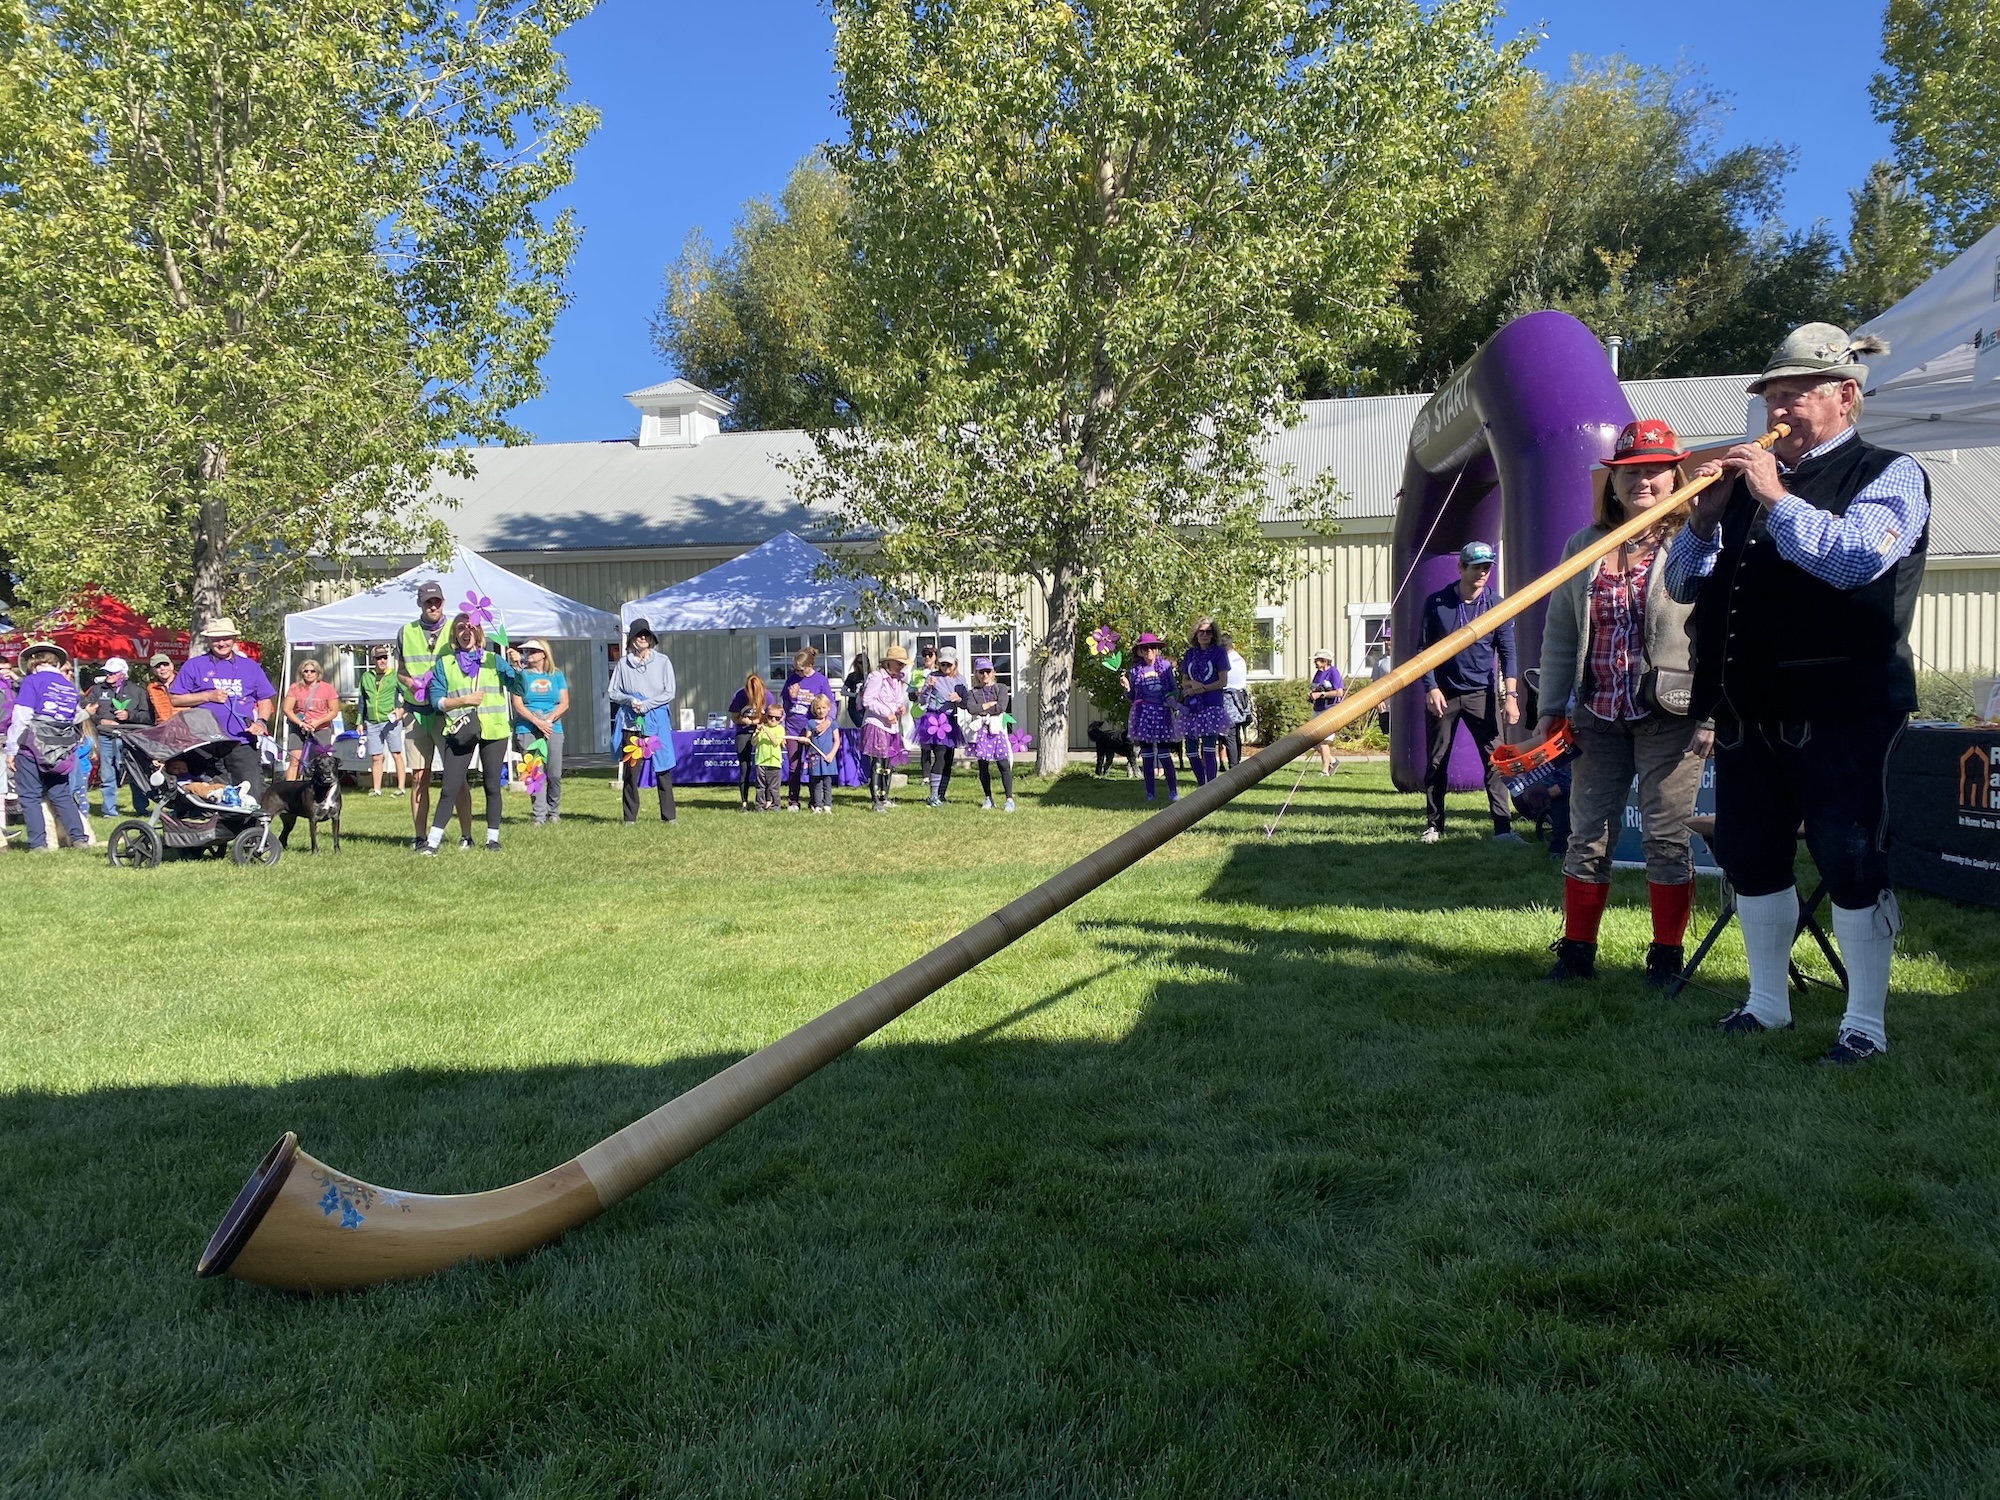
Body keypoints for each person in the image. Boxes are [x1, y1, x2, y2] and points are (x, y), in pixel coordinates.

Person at [1663, 323, 1929, 1063]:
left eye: (1794, 395)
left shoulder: (1891, 472)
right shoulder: (1746, 487)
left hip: (1844, 707)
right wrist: (1704, 522)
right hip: (1749, 708)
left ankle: (1865, 1025)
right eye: (1770, 396)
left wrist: (1774, 496)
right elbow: (1684, 584)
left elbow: (1853, 561)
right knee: (1753, 856)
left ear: (1845, 397)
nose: (1777, 409)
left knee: (1850, 858)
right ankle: (1767, 1003)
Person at [1537, 420, 1712, 987]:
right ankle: (1576, 954)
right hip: (1596, 712)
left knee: (1665, 835)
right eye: (1630, 471)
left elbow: (1717, 632)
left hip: (1672, 712)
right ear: (1613, 482)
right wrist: (1549, 708)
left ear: (1674, 476)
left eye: (1655, 470)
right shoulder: (1584, 546)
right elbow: (1561, 630)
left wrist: (1711, 711)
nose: (1643, 480)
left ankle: (1665, 958)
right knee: (1587, 834)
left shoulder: (1696, 539)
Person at [1417, 542, 1522, 845]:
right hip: (1444, 694)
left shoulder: (1496, 604)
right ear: (1461, 568)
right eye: (1476, 566)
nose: (1482, 572)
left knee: (1495, 761)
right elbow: (1423, 651)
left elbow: (1508, 651)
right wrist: (1431, 687)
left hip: (1482, 694)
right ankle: (1434, 826)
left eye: (1487, 567)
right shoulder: (1437, 602)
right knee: (1437, 762)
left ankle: (1503, 829)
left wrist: (1511, 696)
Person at [417, 613, 509, 853]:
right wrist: (463, 700)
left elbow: (519, 687)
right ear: (455, 634)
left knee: (492, 786)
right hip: (460, 729)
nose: (466, 632)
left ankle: (492, 839)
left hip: (494, 729)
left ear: (478, 632)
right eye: (461, 628)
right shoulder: (445, 663)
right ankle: (433, 843)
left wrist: (515, 668)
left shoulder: (493, 659)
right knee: (450, 787)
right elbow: (436, 701)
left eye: (471, 628)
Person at [397, 580, 470, 851]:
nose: (433, 606)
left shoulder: (457, 627)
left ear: (443, 602)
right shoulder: (405, 632)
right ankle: (419, 835)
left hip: (447, 712)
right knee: (419, 776)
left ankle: (466, 835)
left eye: (437, 601)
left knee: (457, 775)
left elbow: (470, 662)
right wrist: (410, 682)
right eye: (428, 602)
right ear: (420, 603)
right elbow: (400, 671)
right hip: (415, 713)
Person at [168, 618, 277, 797]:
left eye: (226, 638)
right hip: (205, 743)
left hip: (242, 741)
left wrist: (261, 722)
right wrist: (207, 696)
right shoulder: (194, 665)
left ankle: (251, 826)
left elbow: (265, 699)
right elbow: (175, 699)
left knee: (252, 793)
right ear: (209, 641)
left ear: (234, 639)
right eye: (216, 639)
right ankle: (215, 825)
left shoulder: (250, 667)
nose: (221, 643)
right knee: (213, 794)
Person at [4, 641, 90, 852]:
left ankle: (38, 844)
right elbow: (74, 717)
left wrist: (11, 749)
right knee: (61, 794)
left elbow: (22, 715)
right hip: (61, 748)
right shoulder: (68, 686)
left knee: (30, 796)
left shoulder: (32, 681)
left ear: (33, 662)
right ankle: (79, 838)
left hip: (32, 746)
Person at [610, 618, 678, 824]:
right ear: (632, 640)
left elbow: (670, 692)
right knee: (632, 770)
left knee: (663, 769)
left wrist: (648, 704)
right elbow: (613, 692)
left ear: (651, 639)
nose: (642, 638)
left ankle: (669, 817)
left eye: (646, 634)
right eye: (639, 635)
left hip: (657, 721)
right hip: (632, 722)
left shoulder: (663, 661)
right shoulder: (623, 664)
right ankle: (629, 818)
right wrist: (630, 700)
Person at [509, 638, 568, 825]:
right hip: (527, 727)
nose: (529, 654)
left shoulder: (556, 675)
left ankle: (554, 811)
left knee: (554, 773)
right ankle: (539, 815)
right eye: (526, 651)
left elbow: (564, 702)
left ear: (544, 653)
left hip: (553, 728)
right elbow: (517, 703)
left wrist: (548, 720)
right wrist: (536, 721)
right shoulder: (521, 675)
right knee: (534, 773)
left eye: (533, 651)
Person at [87, 655, 154, 815]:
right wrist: (100, 720)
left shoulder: (137, 691)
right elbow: (87, 711)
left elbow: (148, 717)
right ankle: (109, 811)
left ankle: (141, 808)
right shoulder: (97, 690)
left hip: (129, 737)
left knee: (134, 772)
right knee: (107, 774)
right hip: (105, 736)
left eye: (112, 673)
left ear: (122, 673)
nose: (109, 675)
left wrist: (128, 716)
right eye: (107, 672)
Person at [1123, 632, 1180, 803]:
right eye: (1145, 648)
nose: (1149, 651)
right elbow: (1133, 698)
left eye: (1152, 648)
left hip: (1162, 714)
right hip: (1143, 715)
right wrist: (1126, 689)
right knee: (1147, 755)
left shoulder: (1165, 667)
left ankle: (1172, 791)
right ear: (1139, 651)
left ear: (1157, 649)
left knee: (1164, 754)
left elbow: (1174, 689)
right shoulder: (1134, 671)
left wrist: (1171, 700)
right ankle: (1150, 793)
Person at [1178, 618, 1234, 786]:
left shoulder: (1219, 653)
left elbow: (1222, 682)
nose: (1204, 635)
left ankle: (1211, 786)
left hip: (1211, 705)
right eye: (1201, 631)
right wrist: (1193, 685)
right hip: (1191, 706)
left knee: (1209, 749)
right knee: (1191, 751)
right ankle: (1201, 784)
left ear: (1213, 634)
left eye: (1208, 632)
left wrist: (1201, 688)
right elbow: (1184, 681)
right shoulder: (1189, 654)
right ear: (1195, 634)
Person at [780, 645, 834, 811]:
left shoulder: (820, 680)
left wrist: (828, 721)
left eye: (800, 670)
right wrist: (791, 696)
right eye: (794, 669)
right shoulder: (792, 679)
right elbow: (785, 704)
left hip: (811, 728)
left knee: (813, 765)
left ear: (809, 666)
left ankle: (815, 801)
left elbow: (830, 703)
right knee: (794, 765)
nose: (797, 673)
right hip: (792, 728)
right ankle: (793, 801)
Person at [860, 645, 911, 812]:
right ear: (889, 662)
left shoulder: (896, 680)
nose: (901, 667)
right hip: (877, 724)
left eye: (903, 664)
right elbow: (867, 700)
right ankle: (876, 802)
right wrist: (885, 712)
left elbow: (895, 700)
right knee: (878, 763)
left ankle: (885, 797)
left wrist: (899, 707)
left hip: (892, 727)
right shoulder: (876, 677)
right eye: (898, 663)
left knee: (889, 763)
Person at [914, 645, 967, 805]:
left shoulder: (960, 680)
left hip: (950, 721)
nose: (945, 667)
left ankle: (941, 795)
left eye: (948, 664)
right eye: (943, 664)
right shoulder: (933, 677)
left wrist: (959, 699)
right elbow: (921, 701)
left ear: (955, 664)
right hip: (934, 720)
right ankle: (933, 796)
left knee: (948, 759)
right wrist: (928, 688)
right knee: (940, 757)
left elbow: (966, 703)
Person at [964, 657, 1016, 811]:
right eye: (981, 672)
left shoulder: (1001, 688)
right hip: (981, 733)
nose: (985, 675)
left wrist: (982, 708)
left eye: (987, 671)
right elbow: (971, 709)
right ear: (976, 673)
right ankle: (988, 797)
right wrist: (988, 705)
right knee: (983, 765)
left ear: (993, 672)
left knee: (1003, 764)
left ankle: (1009, 799)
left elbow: (1000, 707)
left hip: (997, 730)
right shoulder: (973, 692)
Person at [357, 645, 407, 797]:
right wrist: (360, 721)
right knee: (376, 756)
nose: (382, 661)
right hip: (372, 722)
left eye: (385, 657)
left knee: (396, 753)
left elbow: (409, 697)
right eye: (379, 658)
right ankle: (377, 789)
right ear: (373, 660)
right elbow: (362, 701)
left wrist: (401, 711)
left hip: (390, 721)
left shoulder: (395, 676)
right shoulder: (366, 677)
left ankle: (401, 788)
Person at [282, 658, 339, 780]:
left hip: (321, 728)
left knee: (322, 761)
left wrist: (318, 722)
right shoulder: (295, 688)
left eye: (312, 671)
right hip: (299, 727)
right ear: (301, 672)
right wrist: (300, 723)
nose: (309, 674)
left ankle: (321, 787)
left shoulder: (327, 688)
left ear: (318, 673)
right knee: (294, 760)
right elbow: (287, 709)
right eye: (306, 671)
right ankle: (290, 790)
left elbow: (334, 711)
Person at [793, 693, 842, 813]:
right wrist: (805, 740)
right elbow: (808, 739)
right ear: (814, 709)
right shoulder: (810, 724)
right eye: (818, 708)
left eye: (824, 708)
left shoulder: (832, 724)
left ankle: (827, 805)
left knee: (827, 783)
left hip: (828, 759)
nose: (821, 711)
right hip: (814, 759)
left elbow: (836, 741)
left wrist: (831, 754)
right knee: (816, 784)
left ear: (828, 708)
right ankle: (817, 805)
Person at [729, 670, 769, 812]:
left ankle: (766, 800)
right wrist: (742, 720)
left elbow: (773, 717)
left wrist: (758, 722)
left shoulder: (767, 695)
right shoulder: (739, 695)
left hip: (761, 732)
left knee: (765, 766)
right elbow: (734, 716)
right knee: (745, 767)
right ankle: (744, 801)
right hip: (743, 732)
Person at [1307, 649, 1345, 775]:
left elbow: (1339, 692)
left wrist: (1321, 694)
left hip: (1330, 709)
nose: (1314, 662)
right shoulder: (1318, 673)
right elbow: (1314, 689)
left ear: (1325, 661)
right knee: (1312, 740)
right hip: (1317, 709)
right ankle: (1333, 761)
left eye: (1317, 660)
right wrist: (1312, 695)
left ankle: (1325, 771)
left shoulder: (1333, 672)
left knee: (1323, 740)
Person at [1220, 633, 1251, 769]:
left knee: (1229, 736)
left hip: (1228, 700)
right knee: (1235, 733)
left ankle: (1233, 766)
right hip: (1240, 699)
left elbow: (1222, 682)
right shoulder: (1239, 659)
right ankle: (1237, 764)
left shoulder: (1226, 662)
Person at [752, 702, 787, 811]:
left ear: (781, 719)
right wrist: (757, 733)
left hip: (774, 762)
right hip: (761, 761)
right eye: (770, 717)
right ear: (766, 716)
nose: (772, 720)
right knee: (760, 787)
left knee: (773, 788)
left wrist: (766, 730)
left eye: (776, 718)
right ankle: (760, 806)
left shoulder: (780, 729)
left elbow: (776, 742)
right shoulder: (762, 728)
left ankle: (775, 806)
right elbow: (753, 742)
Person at [144, 653, 179, 724]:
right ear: (153, 670)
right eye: (158, 666)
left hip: (185, 728)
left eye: (165, 664)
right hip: (163, 729)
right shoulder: (151, 689)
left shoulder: (185, 682)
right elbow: (150, 714)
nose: (162, 668)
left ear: (171, 666)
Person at [843, 651, 871, 728]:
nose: (863, 665)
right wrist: (855, 695)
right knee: (862, 726)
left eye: (865, 662)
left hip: (868, 706)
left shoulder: (871, 676)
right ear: (856, 664)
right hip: (854, 706)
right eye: (860, 662)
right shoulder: (852, 676)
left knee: (868, 727)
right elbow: (843, 691)